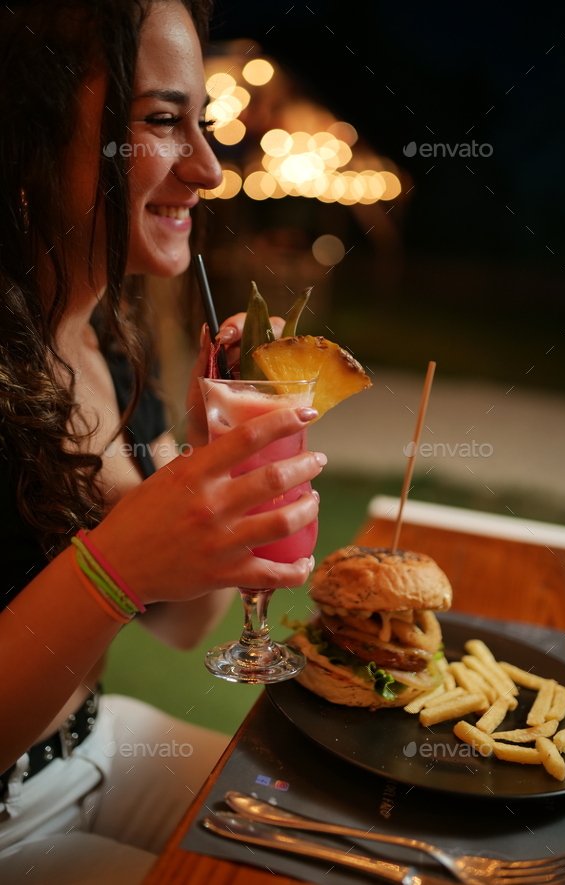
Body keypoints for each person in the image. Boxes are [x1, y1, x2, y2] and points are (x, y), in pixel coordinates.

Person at [0, 1, 323, 882]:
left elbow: (186, 627)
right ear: (24, 134)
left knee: (339, 837)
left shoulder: (108, 339)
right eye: (160, 121)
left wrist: (218, 488)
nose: (211, 170)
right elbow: (122, 582)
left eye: (203, 123)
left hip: (95, 744)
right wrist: (116, 565)